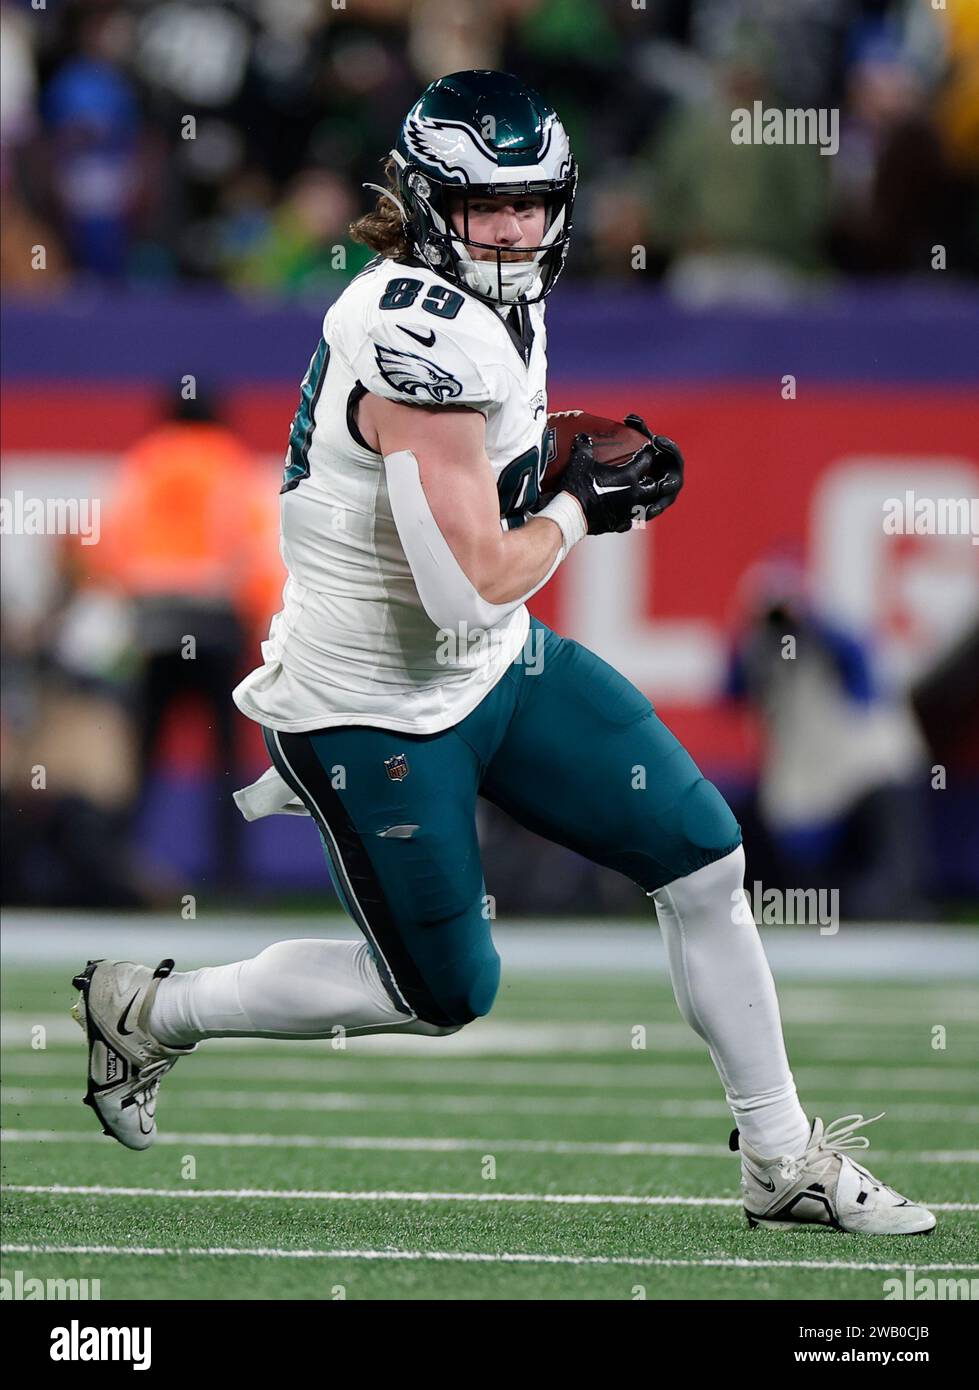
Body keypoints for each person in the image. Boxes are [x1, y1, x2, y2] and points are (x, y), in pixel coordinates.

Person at [71, 71, 933, 1235]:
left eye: (534, 203)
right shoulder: (416, 335)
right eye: (489, 208)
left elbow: (482, 541)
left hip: (489, 668)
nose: (517, 229)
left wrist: (548, 475)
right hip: (369, 700)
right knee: (441, 993)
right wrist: (581, 507)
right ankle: (149, 1011)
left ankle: (779, 1155)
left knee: (703, 858)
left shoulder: (500, 301)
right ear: (430, 205)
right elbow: (465, 580)